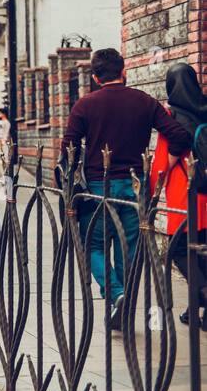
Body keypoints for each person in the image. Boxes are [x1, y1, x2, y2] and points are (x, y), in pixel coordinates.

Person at [61, 47, 191, 328]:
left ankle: (117, 295)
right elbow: (181, 136)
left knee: (92, 246)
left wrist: (70, 192)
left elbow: (68, 149)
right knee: (129, 246)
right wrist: (166, 164)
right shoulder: (144, 102)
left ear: (95, 78)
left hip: (97, 186)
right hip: (135, 185)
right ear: (124, 71)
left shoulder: (84, 105)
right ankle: (126, 298)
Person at [150, 62, 207, 327]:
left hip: (184, 195)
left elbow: (162, 165)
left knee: (179, 251)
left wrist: (150, 193)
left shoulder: (172, 119)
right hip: (206, 193)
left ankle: (204, 296)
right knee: (203, 251)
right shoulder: (204, 109)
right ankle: (198, 312)